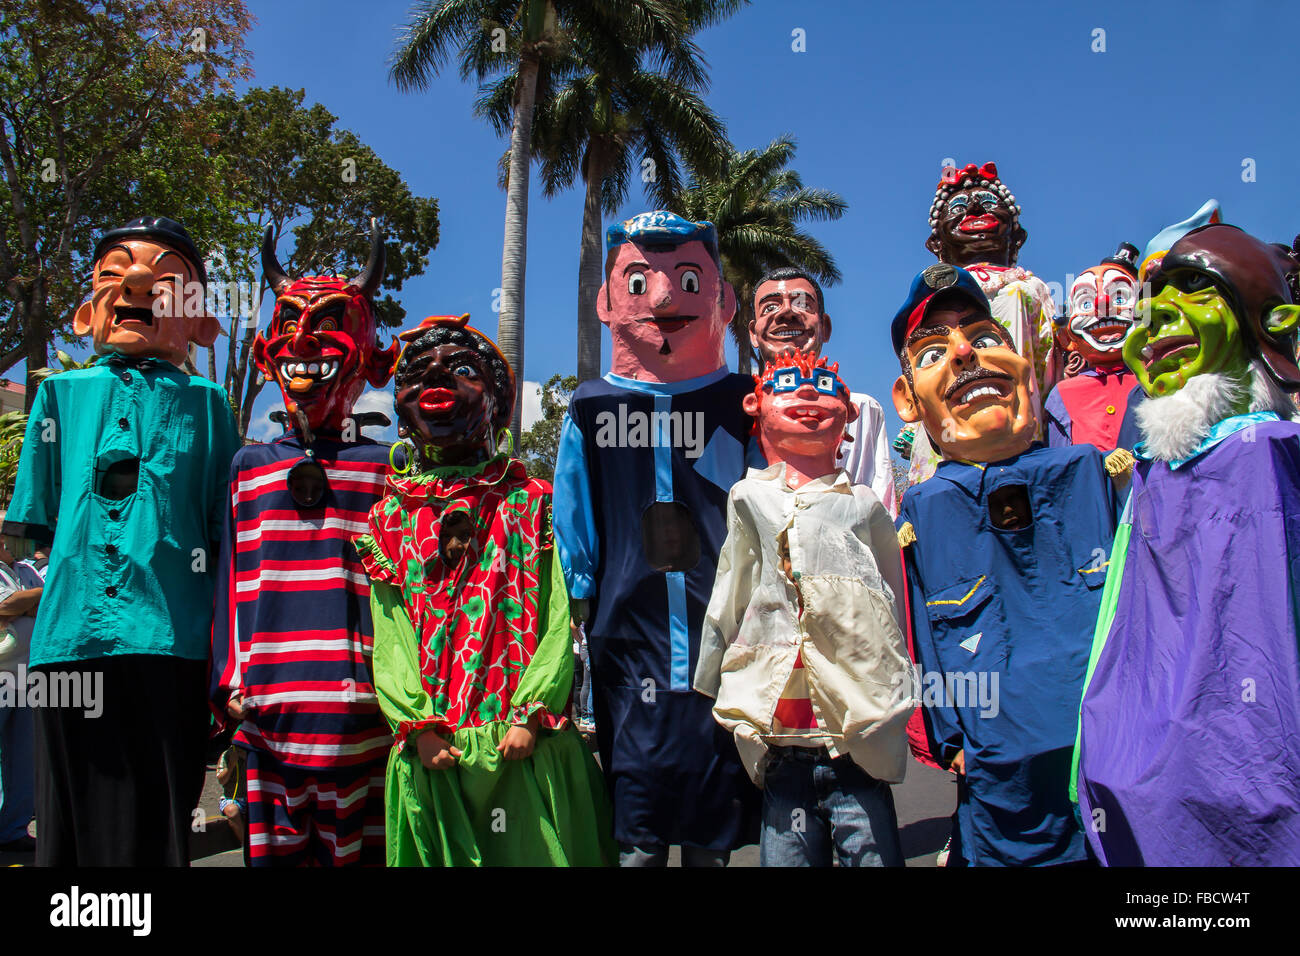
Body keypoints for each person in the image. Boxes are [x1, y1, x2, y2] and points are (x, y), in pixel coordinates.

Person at [1, 216, 239, 866]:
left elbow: (224, 539)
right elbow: (34, 527)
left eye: (168, 280)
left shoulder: (209, 403)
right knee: (67, 825)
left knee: (160, 823)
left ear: (197, 323)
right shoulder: (57, 395)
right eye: (115, 273)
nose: (138, 283)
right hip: (66, 641)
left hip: (171, 643)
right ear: (87, 311)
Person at [355, 313, 617, 866]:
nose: (435, 382)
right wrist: (416, 726)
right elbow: (391, 630)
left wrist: (531, 712)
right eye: (418, 373)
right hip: (436, 748)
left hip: (523, 745)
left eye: (462, 370)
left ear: (497, 399)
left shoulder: (532, 501)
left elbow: (556, 616)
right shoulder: (388, 517)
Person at [1074, 223, 1300, 865]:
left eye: (1197, 292)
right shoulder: (1150, 467)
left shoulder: (1265, 452)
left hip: (1241, 775)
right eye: (1153, 303)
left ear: (1270, 321)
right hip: (1142, 760)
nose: (1159, 320)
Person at [890, 263, 1122, 866]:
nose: (966, 353)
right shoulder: (924, 510)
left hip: (1110, 756)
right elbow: (921, 630)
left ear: (1030, 366)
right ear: (908, 401)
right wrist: (948, 738)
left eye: (986, 338)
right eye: (934, 351)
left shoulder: (1092, 474)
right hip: (1002, 787)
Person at [553, 211, 763, 866]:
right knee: (637, 836)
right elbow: (573, 506)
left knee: (711, 835)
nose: (666, 298)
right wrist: (581, 593)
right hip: (629, 637)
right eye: (639, 282)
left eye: (689, 278)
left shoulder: (744, 400)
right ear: (606, 301)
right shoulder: (592, 407)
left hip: (723, 635)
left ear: (722, 301)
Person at [210, 223, 398, 867]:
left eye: (329, 322)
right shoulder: (248, 466)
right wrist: (230, 681)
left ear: (374, 356)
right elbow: (232, 579)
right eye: (289, 321)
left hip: (368, 724)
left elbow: (409, 592)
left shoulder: (389, 469)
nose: (304, 339)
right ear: (267, 353)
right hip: (268, 715)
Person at [696, 350, 911, 866]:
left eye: (823, 387)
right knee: (787, 855)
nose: (809, 396)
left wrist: (902, 666)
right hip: (782, 735)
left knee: (872, 850)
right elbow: (733, 581)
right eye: (790, 385)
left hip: (854, 727)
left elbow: (891, 590)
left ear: (849, 413)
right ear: (757, 403)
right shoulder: (748, 496)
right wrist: (710, 673)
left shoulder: (863, 503)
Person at [904, 161, 1058, 485]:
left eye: (989, 204)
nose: (974, 207)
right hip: (946, 427)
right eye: (958, 207)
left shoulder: (1028, 288)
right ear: (936, 244)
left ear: (1017, 236)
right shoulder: (929, 296)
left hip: (1016, 423)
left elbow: (1046, 363)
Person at [748, 267, 897, 516]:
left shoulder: (862, 411)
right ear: (753, 333)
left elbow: (880, 501)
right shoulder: (737, 407)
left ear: (825, 326)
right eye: (770, 307)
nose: (786, 312)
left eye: (803, 304)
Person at [1044, 244, 1144, 452]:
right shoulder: (1062, 394)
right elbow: (1062, 461)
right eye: (1086, 303)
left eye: (1119, 297)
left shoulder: (1156, 380)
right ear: (1067, 338)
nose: (1103, 303)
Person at [0, 536, 42, 852]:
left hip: (27, 677)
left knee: (23, 756)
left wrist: (22, 605)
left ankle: (13, 830)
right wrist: (38, 597)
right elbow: (4, 608)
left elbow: (50, 609)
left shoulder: (27, 569)